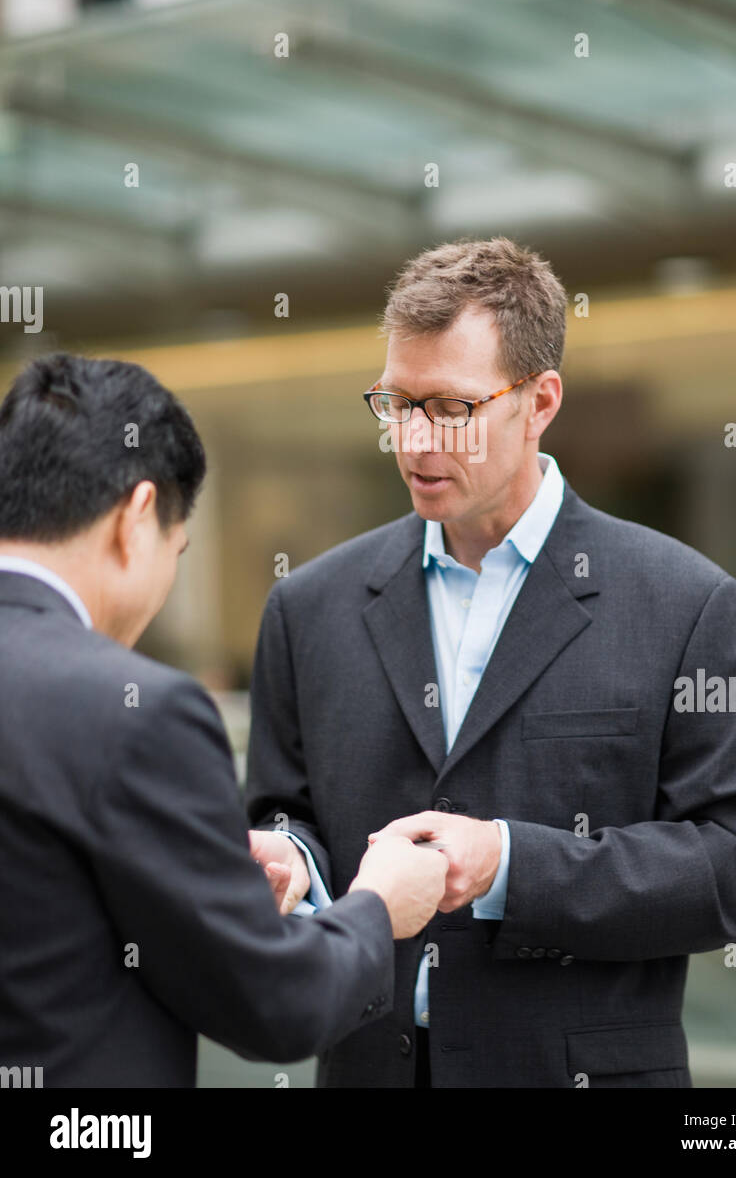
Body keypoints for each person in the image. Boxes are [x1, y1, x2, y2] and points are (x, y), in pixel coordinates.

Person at [247, 236, 736, 1088]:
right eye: (396, 402)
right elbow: (288, 811)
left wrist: (510, 865)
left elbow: (735, 868)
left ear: (541, 401)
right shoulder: (308, 608)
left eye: (452, 408)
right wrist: (292, 863)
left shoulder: (687, 603)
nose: (416, 441)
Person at [0, 353, 446, 1088]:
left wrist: (195, 870)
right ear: (137, 517)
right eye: (177, 553)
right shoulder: (140, 713)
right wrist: (377, 908)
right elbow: (273, 1004)